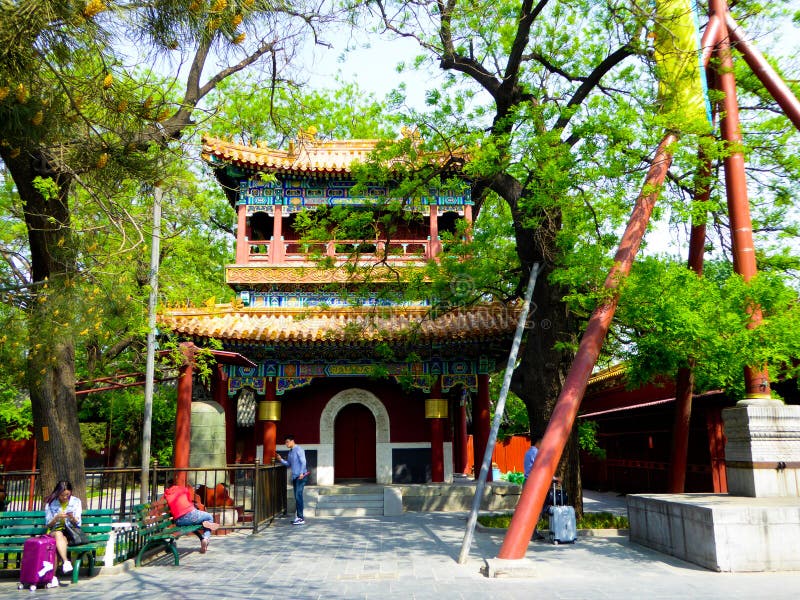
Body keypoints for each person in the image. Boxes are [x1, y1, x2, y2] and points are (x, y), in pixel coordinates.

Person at [163, 480, 220, 554]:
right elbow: (189, 500)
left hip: (179, 521)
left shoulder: (166, 494)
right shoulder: (183, 489)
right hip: (191, 515)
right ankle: (205, 538)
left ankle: (204, 523)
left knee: (203, 520)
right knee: (209, 517)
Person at [44, 480, 82, 575]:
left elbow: (78, 523)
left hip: (70, 532)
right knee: (58, 534)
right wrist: (56, 518)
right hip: (54, 531)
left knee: (56, 547)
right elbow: (48, 524)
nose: (65, 497)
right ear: (57, 493)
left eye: (67, 495)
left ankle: (52, 578)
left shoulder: (76, 501)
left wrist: (72, 518)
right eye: (62, 495)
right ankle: (66, 561)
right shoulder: (51, 503)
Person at [276, 435, 308, 525]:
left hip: (301, 476)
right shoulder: (290, 452)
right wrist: (281, 459)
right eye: (285, 442)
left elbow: (303, 462)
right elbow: (288, 464)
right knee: (297, 497)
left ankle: (301, 518)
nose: (286, 444)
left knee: (298, 496)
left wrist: (301, 473)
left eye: (287, 442)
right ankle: (298, 517)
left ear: (292, 441)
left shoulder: (299, 449)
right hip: (295, 477)